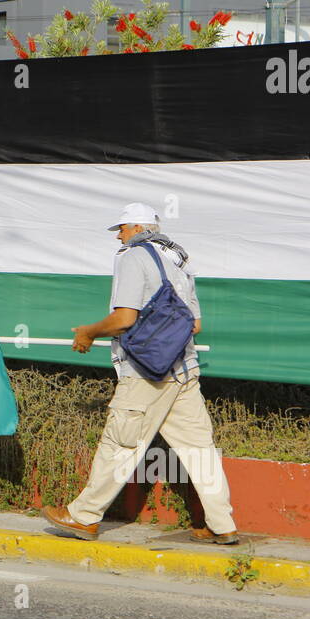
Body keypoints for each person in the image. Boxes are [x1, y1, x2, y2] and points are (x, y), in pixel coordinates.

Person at [42, 202, 240, 545]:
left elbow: (124, 319)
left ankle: (84, 517)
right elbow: (194, 325)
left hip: (146, 372)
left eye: (121, 228)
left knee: (120, 444)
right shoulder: (179, 259)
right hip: (184, 369)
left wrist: (88, 332)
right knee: (200, 450)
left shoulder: (132, 256)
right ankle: (222, 524)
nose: (118, 235)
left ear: (136, 228)